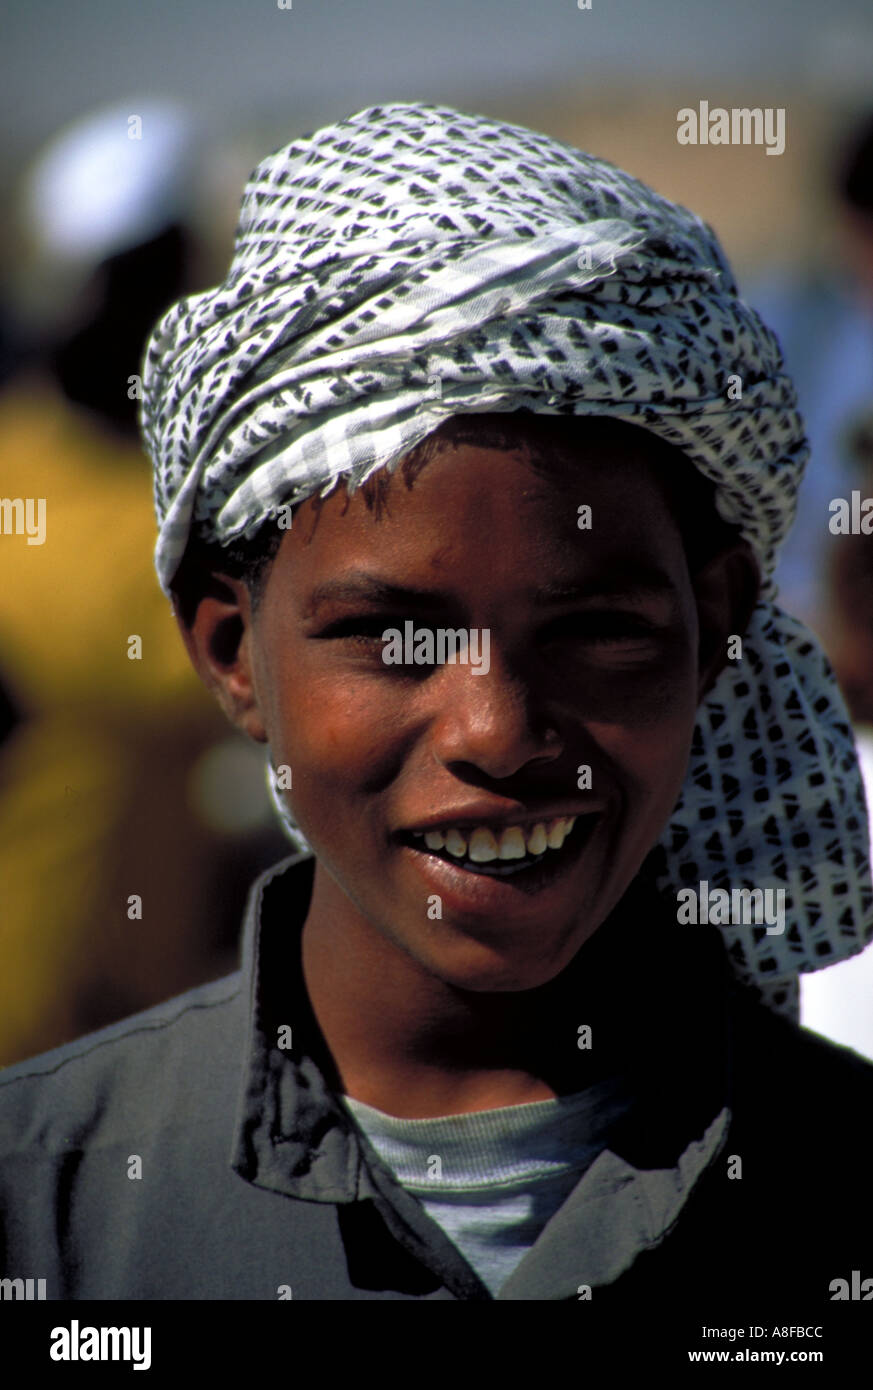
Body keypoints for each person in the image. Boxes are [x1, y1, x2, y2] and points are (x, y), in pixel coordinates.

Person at [1, 101, 871, 1308]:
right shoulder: (44, 1209)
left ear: (717, 624)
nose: (498, 731)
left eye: (598, 630)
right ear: (231, 650)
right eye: (390, 639)